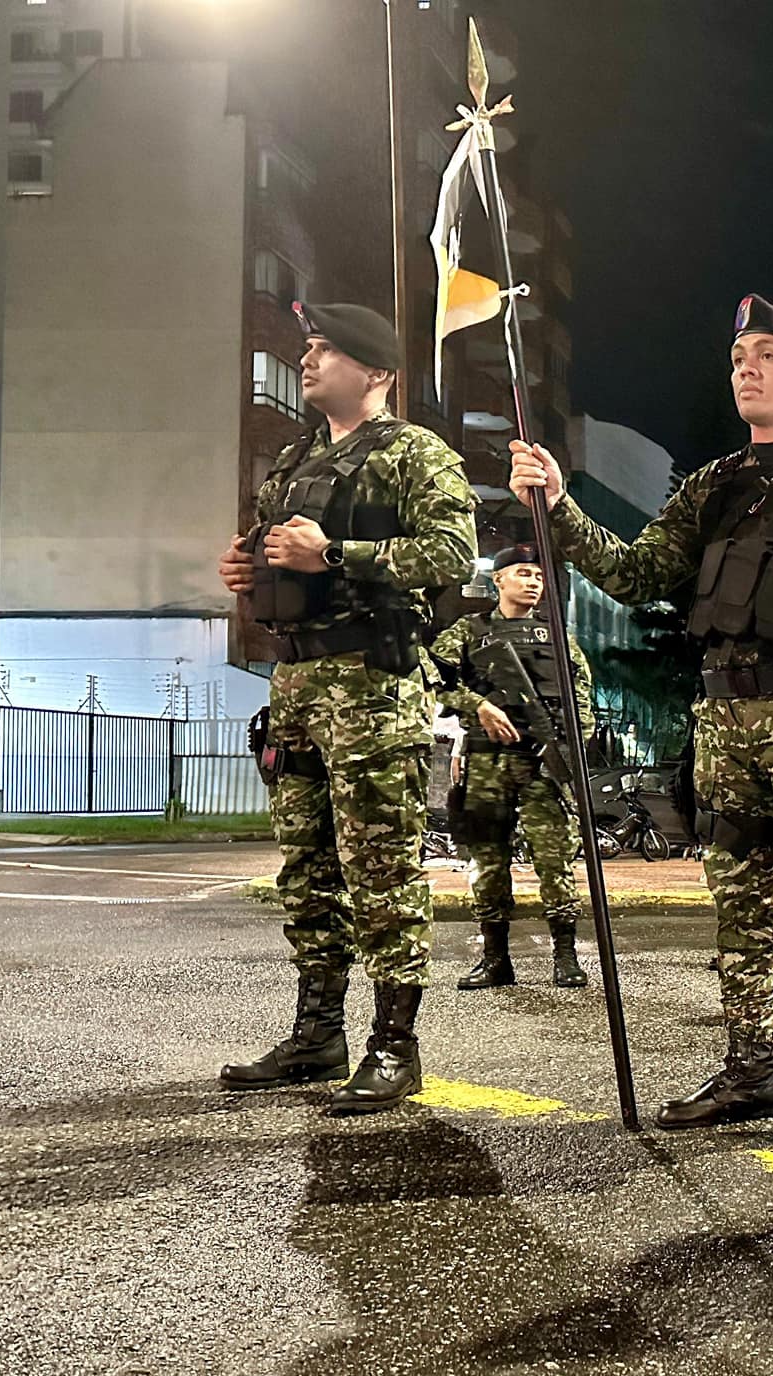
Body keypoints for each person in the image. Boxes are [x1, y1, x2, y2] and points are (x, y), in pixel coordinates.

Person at [507, 294, 773, 1152]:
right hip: (726, 717)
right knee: (738, 904)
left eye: (767, 356)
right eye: (739, 358)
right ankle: (748, 1067)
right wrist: (556, 505)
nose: (747, 369)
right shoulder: (714, 487)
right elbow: (634, 573)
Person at [216, 301, 476, 1111]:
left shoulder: (411, 453)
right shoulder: (294, 458)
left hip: (372, 682)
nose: (308, 359)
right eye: (308, 348)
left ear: (377, 373)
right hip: (296, 684)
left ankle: (395, 1046)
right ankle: (318, 1033)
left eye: (327, 349)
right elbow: (269, 547)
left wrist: (333, 552)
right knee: (308, 869)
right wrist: (246, 568)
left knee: (383, 870)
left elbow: (453, 553)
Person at [428, 543, 597, 990]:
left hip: (542, 765)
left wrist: (569, 746)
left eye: (539, 576)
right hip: (486, 762)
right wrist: (476, 705)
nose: (533, 581)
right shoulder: (469, 631)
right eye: (523, 573)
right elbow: (431, 677)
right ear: (498, 580)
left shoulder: (558, 636)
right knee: (487, 860)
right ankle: (495, 958)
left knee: (554, 860)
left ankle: (565, 956)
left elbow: (582, 699)